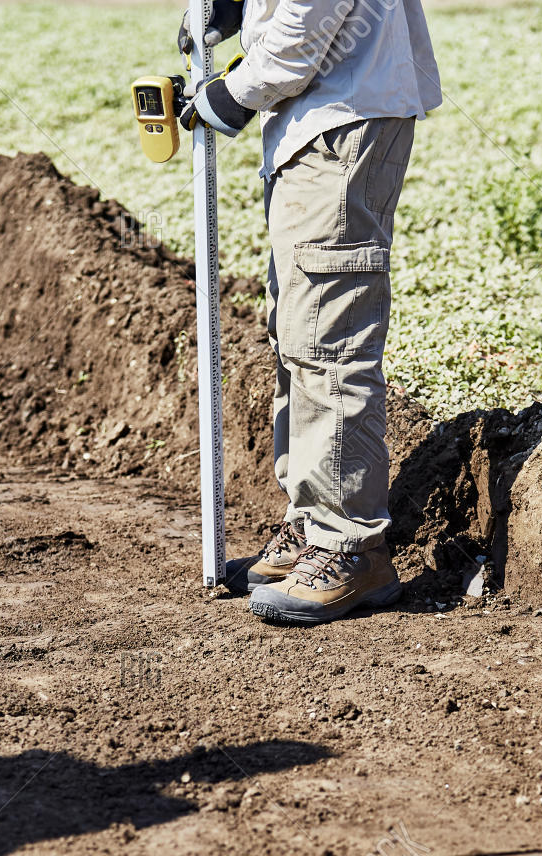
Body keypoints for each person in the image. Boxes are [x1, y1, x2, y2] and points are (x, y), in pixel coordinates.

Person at [178, 0, 441, 624]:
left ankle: (351, 546)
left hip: (341, 116)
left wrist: (234, 92)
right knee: (298, 332)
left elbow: (303, 27)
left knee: (328, 339)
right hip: (317, 119)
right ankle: (312, 524)